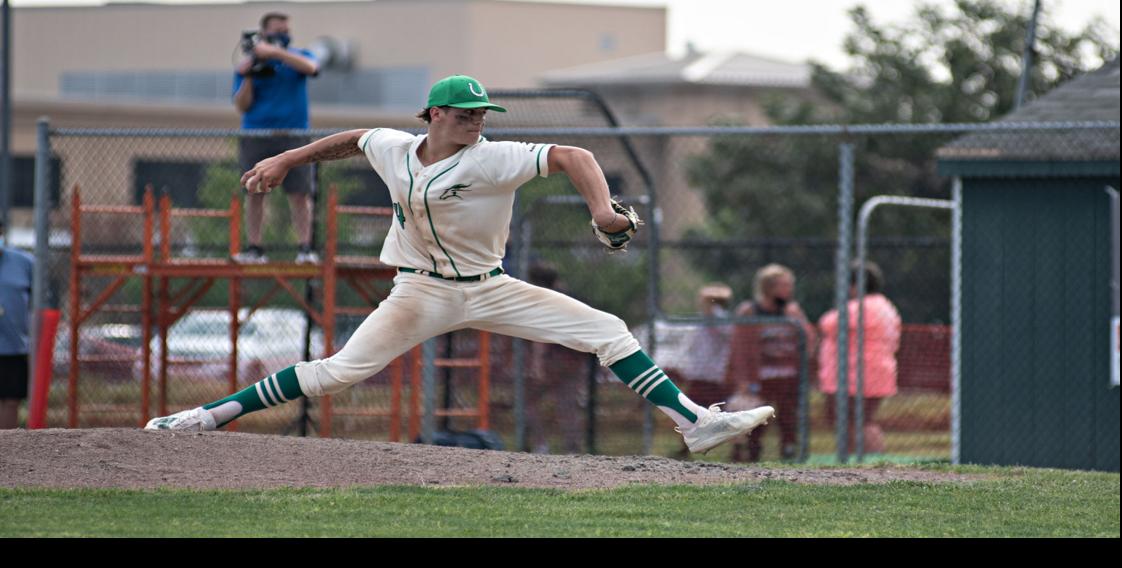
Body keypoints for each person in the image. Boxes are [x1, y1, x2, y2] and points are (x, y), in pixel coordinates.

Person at [144, 74, 774, 457]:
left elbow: (576, 154)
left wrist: (603, 212)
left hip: (491, 288)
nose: (477, 122)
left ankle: (694, 423)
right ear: (435, 114)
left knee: (607, 329)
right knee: (337, 374)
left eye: (483, 114)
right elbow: (353, 139)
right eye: (467, 113)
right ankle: (204, 417)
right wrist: (285, 160)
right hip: (419, 292)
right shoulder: (396, 147)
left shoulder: (492, 157)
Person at [231, 11, 321, 264]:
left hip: (294, 135)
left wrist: (276, 53)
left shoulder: (298, 57)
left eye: (285, 30)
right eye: (277, 30)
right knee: (255, 191)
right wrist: (251, 72)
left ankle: (304, 248)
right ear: (264, 33)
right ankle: (255, 248)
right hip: (256, 134)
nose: (283, 34)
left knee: (300, 193)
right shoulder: (248, 65)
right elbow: (242, 105)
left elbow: (312, 68)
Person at [728, 264, 814, 461]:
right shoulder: (750, 311)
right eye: (783, 286)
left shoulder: (792, 312)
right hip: (760, 379)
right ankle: (750, 455)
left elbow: (809, 341)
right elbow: (740, 349)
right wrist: (743, 379)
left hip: (788, 378)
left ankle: (790, 454)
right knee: (755, 420)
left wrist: (796, 318)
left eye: (789, 286)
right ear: (768, 288)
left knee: (788, 420)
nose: (788, 291)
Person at [817, 261, 902, 454]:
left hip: (857, 374)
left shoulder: (860, 307)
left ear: (855, 285)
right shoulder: (885, 306)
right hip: (878, 372)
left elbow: (828, 324)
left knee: (857, 421)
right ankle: (862, 461)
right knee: (860, 420)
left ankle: (869, 462)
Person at [669, 283, 735, 457]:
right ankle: (686, 447)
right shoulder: (701, 320)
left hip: (714, 377)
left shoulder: (720, 319)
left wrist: (712, 313)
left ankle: (736, 449)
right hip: (699, 375)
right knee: (688, 412)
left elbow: (727, 333)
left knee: (721, 414)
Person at [0, 219, 33, 430]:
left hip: (13, 347)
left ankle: (7, 446)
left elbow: (41, 300)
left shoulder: (24, 262)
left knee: (11, 399)